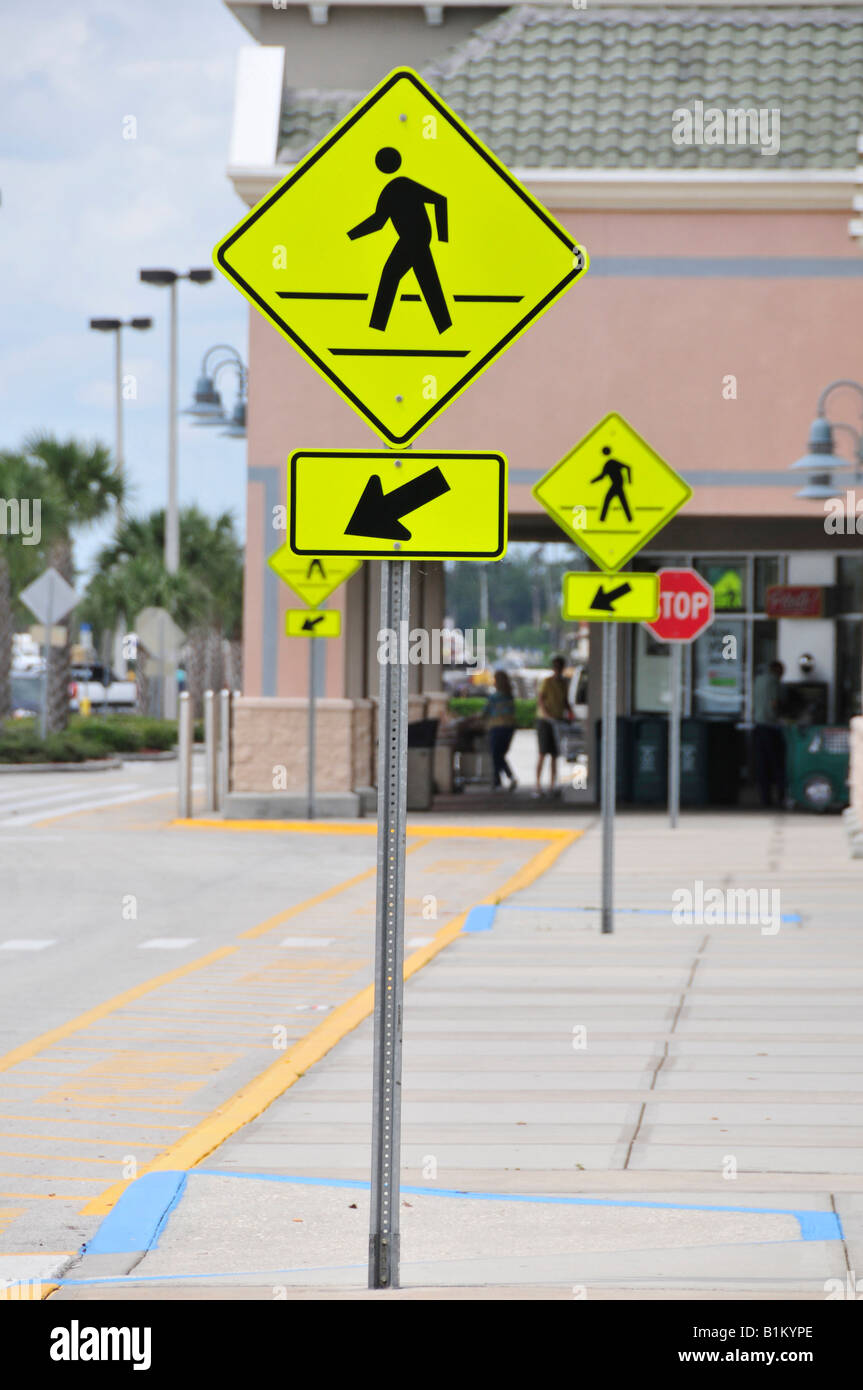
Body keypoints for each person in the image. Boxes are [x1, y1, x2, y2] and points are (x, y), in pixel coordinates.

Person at [535, 655, 572, 797]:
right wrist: (546, 714)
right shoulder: (547, 682)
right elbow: (540, 700)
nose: (558, 669)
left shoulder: (563, 684)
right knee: (542, 753)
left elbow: (565, 701)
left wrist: (570, 714)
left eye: (560, 667)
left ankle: (552, 784)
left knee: (555, 755)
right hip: (545, 721)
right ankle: (538, 785)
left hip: (558, 720)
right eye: (556, 666)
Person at [752, 659, 787, 809]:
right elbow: (775, 703)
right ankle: (781, 796)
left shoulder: (758, 680)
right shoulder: (774, 682)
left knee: (762, 765)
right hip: (771, 727)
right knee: (777, 764)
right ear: (777, 670)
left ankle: (765, 798)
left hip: (758, 725)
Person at [482, 669, 517, 792]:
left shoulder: (494, 697)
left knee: (496, 755)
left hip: (497, 728)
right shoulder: (509, 696)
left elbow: (485, 713)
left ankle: (503, 779)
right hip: (509, 728)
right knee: (500, 755)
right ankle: (500, 780)